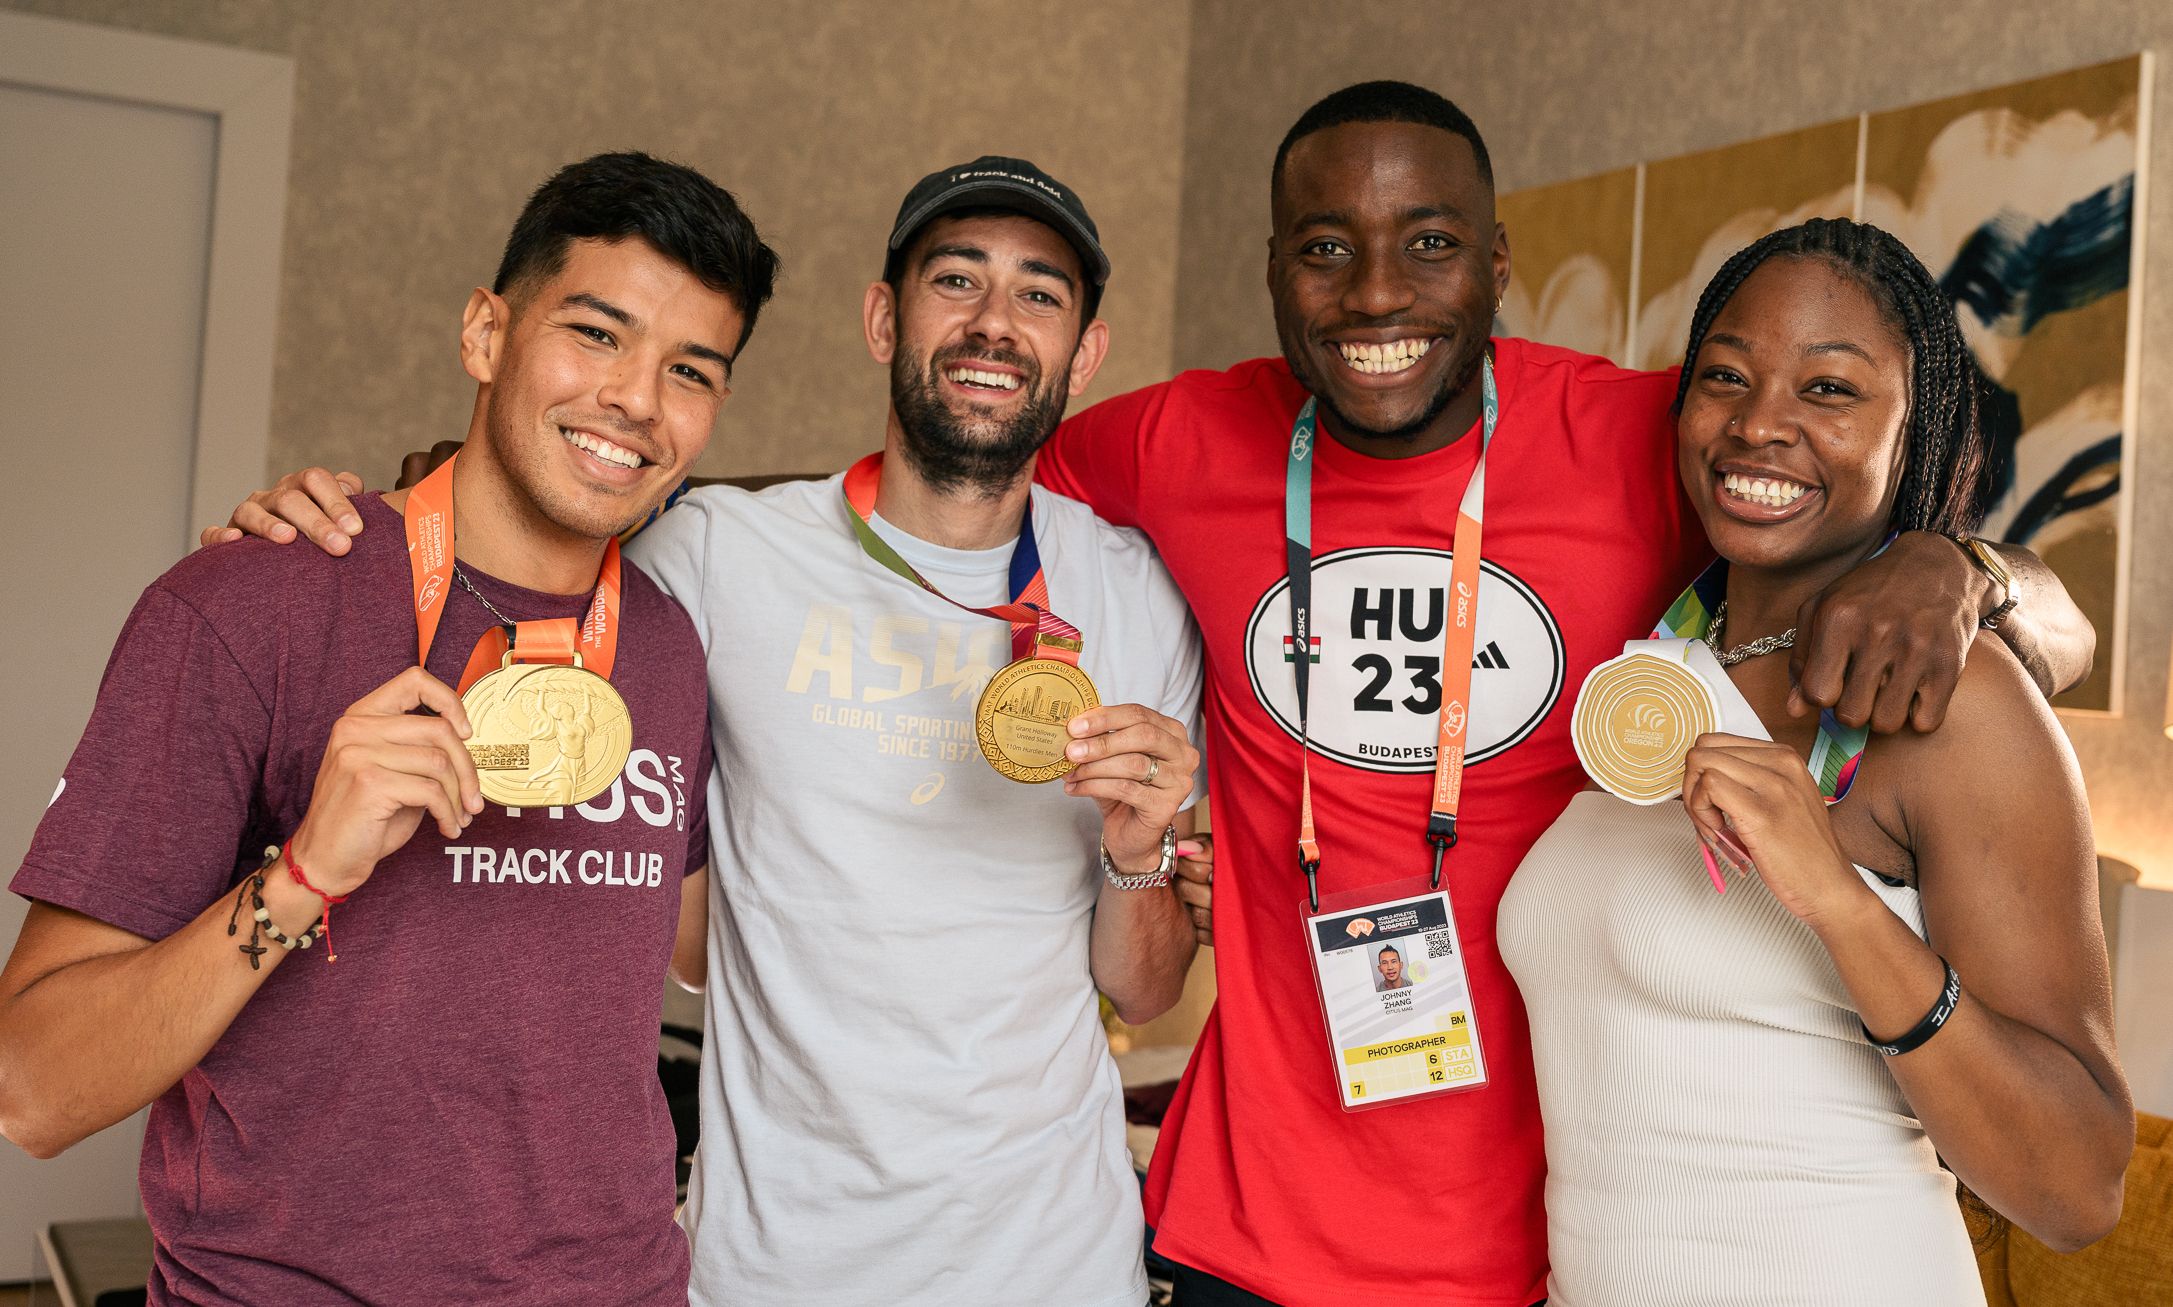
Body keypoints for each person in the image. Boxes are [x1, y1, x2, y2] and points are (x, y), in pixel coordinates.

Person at [219, 88, 2096, 1307]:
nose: (1378, 292)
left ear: (1498, 270)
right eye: (1323, 249)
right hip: (1221, 1237)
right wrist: (436, 484)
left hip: (1552, 1243)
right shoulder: (1158, 450)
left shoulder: (1639, 431)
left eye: (1429, 245)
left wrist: (1964, 560)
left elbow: (1921, 582)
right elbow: (895, 482)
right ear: (1264, 277)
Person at [212, 156, 1204, 1307]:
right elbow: (506, 536)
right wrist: (322, 528)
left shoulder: (1135, 593)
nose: (994, 322)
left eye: (1040, 294)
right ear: (883, 318)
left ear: (1085, 351)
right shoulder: (714, 555)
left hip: (1056, 1262)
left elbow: (1141, 992)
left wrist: (1138, 847)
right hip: (771, 1263)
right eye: (956, 279)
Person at [0, 153, 776, 1303]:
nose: (637, 401)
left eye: (690, 369)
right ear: (484, 333)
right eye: (598, 334)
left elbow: (712, 949)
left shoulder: (671, 642)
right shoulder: (247, 607)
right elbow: (32, 1089)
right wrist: (305, 871)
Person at [1499, 217, 2130, 1305]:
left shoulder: (1954, 702)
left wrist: (1837, 900)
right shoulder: (1657, 652)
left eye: (1829, 391)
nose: (1758, 425)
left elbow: (2077, 1186)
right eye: (1726, 377)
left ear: (1914, 425)